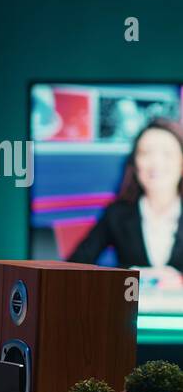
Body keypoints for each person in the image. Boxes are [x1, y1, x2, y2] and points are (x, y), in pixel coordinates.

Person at [69, 118, 183, 288]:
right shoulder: (117, 214)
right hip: (129, 312)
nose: (156, 163)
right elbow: (74, 266)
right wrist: (134, 275)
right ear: (135, 164)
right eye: (146, 153)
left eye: (167, 153)